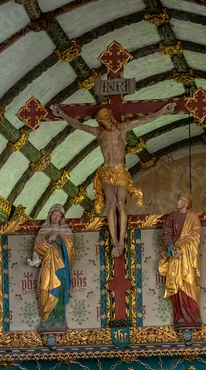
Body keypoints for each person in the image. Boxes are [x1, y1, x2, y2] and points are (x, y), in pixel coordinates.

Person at [49, 101, 177, 257]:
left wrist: (163, 111)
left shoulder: (121, 129)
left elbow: (144, 120)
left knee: (120, 202)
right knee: (110, 202)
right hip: (106, 171)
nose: (103, 123)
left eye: (105, 119)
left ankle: (121, 240)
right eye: (101, 121)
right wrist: (62, 114)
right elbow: (79, 125)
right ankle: (114, 240)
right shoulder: (99, 133)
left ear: (110, 118)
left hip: (120, 171)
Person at [158, 192, 202, 327]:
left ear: (187, 203)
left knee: (189, 284)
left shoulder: (193, 217)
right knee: (177, 284)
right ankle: (180, 316)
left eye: (182, 200)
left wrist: (183, 249)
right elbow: (165, 233)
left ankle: (193, 315)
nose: (178, 203)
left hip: (188, 257)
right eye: (178, 200)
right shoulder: (171, 217)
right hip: (175, 255)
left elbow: (196, 235)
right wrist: (172, 249)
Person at [30, 204, 76, 330]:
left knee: (59, 290)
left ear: (62, 217)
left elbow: (70, 248)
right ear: (50, 215)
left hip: (61, 267)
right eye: (53, 215)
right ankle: (46, 318)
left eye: (58, 216)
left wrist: (58, 238)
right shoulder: (43, 231)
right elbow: (39, 248)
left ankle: (59, 319)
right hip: (47, 265)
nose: (55, 218)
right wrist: (50, 239)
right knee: (45, 288)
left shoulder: (66, 230)